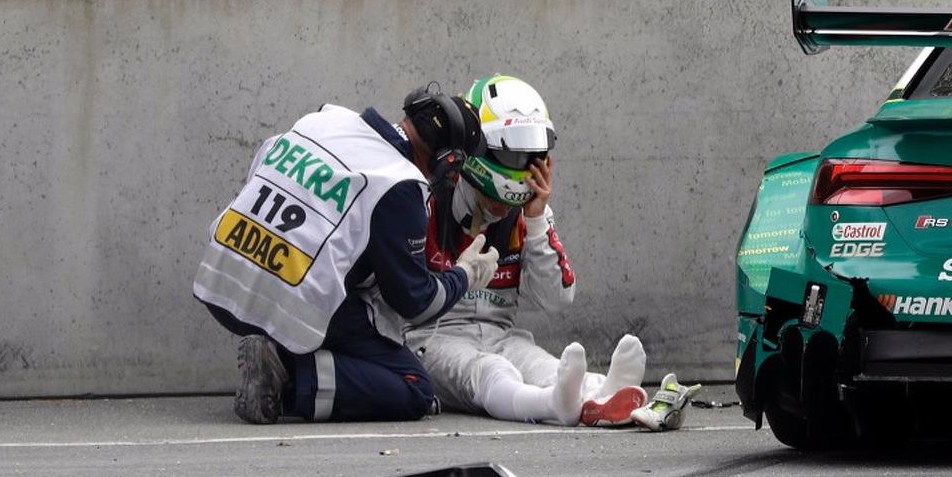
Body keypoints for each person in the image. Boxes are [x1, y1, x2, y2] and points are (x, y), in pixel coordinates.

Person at [410, 74, 701, 430]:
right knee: (492, 371)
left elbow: (558, 298)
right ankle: (553, 405)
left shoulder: (526, 212)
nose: (526, 165)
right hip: (432, 340)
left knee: (546, 366)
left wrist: (534, 221)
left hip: (501, 335)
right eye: (512, 152)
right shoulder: (428, 198)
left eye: (531, 153)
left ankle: (606, 393)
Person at [195, 87, 500, 423]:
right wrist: (465, 274)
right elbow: (416, 301)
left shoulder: (324, 118)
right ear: (449, 161)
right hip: (286, 300)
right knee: (414, 387)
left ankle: (277, 349)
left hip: (221, 277)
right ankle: (284, 374)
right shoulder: (399, 183)